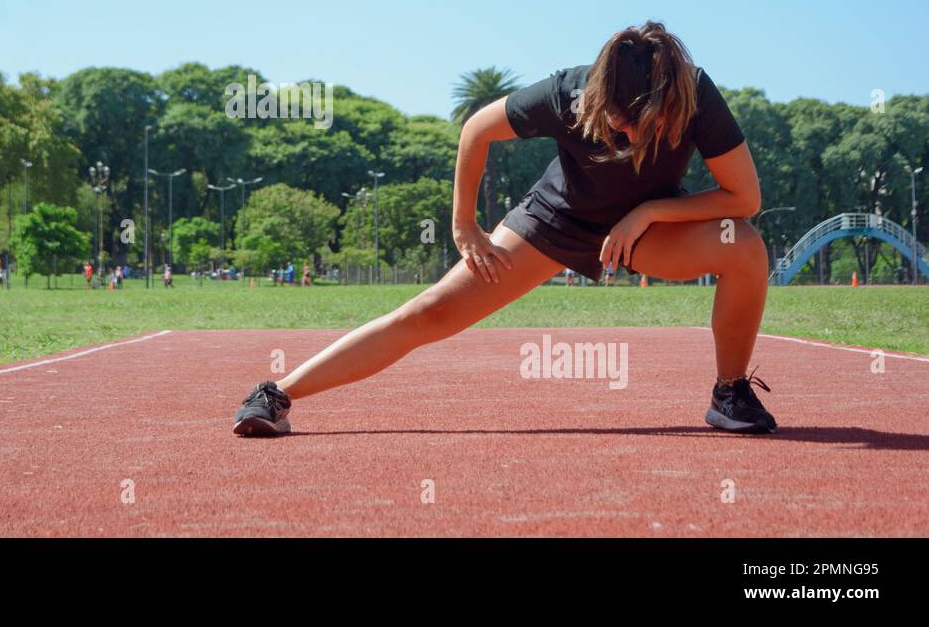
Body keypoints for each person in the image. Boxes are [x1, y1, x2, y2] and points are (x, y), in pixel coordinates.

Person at [232, 22, 776, 437]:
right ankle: (276, 394)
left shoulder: (696, 95)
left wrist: (650, 212)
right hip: (552, 221)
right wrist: (464, 224)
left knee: (745, 248)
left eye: (640, 123)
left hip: (643, 231)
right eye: (616, 120)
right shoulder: (567, 92)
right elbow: (476, 129)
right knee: (430, 312)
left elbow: (743, 198)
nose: (627, 134)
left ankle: (730, 394)